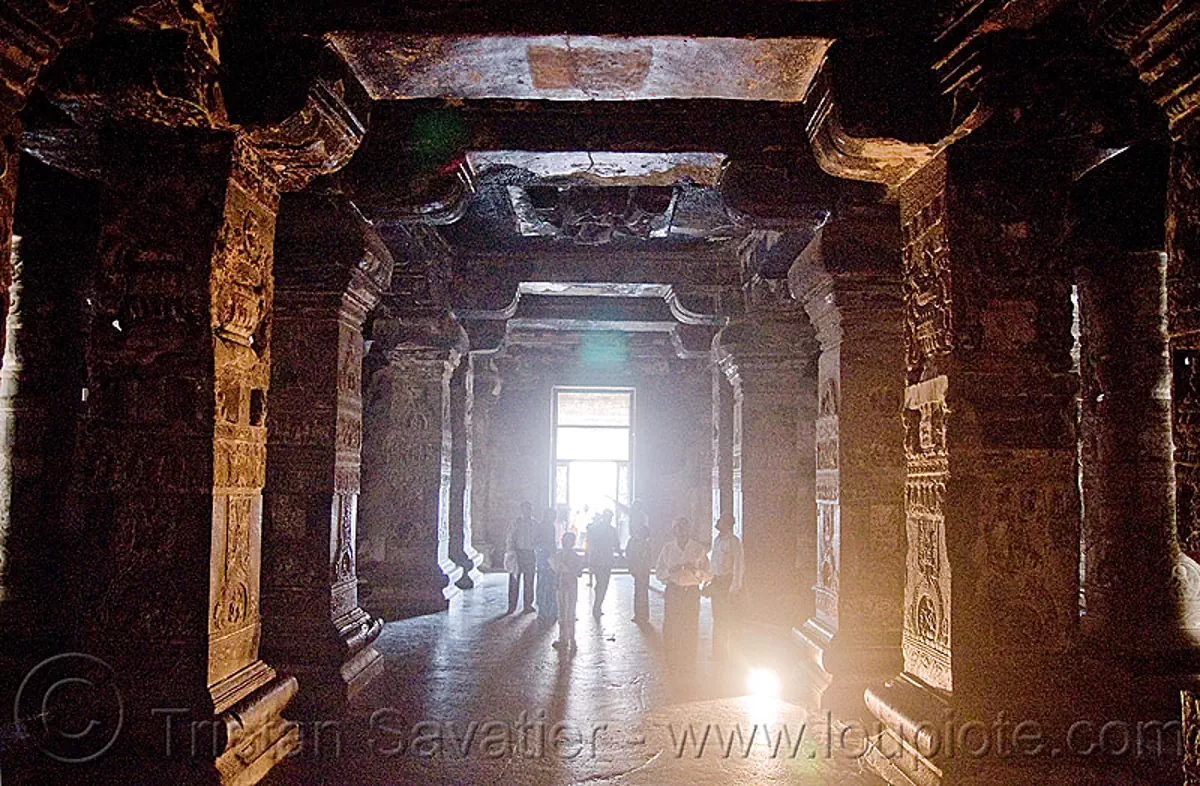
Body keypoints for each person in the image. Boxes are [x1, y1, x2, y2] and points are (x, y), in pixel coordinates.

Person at [655, 518, 710, 667]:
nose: (682, 531)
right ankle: (671, 658)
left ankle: (688, 658)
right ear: (674, 531)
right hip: (673, 590)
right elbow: (658, 572)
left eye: (684, 528)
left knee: (690, 625)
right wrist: (670, 571)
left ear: (689, 530)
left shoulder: (698, 549)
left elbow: (708, 574)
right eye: (679, 528)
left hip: (691, 591)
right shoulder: (667, 549)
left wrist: (695, 571)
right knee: (671, 625)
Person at [706, 513, 744, 663]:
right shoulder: (717, 541)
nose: (717, 521)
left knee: (730, 619)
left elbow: (738, 565)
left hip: (727, 583)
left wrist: (734, 587)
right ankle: (718, 654)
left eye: (720, 520)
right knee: (717, 618)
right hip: (717, 582)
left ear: (727, 524)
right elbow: (713, 562)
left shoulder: (734, 542)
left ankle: (733, 655)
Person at [550, 531, 584, 652]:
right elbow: (578, 572)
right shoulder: (572, 557)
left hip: (568, 585)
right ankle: (566, 638)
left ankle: (569, 638)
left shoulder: (563, 556)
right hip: (564, 585)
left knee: (568, 612)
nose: (565, 543)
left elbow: (578, 572)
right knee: (564, 612)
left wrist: (568, 570)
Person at [585, 509, 619, 618]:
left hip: (600, 560)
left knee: (601, 584)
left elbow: (589, 544)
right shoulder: (610, 530)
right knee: (602, 584)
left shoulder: (594, 529)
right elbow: (616, 544)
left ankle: (598, 605)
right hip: (603, 560)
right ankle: (597, 605)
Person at [505, 501, 536, 614]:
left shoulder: (534, 523)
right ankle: (512, 606)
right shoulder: (516, 523)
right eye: (525, 509)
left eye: (529, 509)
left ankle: (528, 605)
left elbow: (537, 539)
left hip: (530, 553)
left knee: (529, 580)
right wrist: (511, 552)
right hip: (518, 553)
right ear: (522, 510)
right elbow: (510, 537)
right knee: (514, 580)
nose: (527, 511)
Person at [625, 513, 653, 623]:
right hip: (641, 570)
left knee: (640, 592)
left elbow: (631, 555)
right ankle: (642, 615)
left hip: (641, 570)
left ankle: (641, 615)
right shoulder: (638, 543)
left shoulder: (637, 543)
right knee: (641, 592)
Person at [534, 507, 559, 624]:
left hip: (545, 556)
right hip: (544, 556)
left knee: (547, 584)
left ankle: (547, 610)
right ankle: (545, 611)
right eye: (552, 516)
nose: (554, 518)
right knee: (545, 584)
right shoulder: (545, 526)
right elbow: (543, 542)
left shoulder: (549, 526)